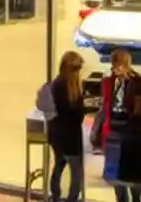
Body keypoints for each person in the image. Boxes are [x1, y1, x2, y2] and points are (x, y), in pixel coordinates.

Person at [92, 49, 137, 188]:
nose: (114, 68)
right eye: (113, 65)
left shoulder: (135, 83)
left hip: (127, 123)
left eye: (117, 65)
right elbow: (105, 103)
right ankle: (112, 175)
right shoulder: (109, 82)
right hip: (112, 122)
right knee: (112, 153)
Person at [49, 51, 87, 202]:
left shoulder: (57, 84)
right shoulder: (69, 88)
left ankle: (55, 196)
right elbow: (75, 116)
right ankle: (72, 199)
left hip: (57, 135)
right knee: (76, 172)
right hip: (70, 137)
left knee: (59, 166)